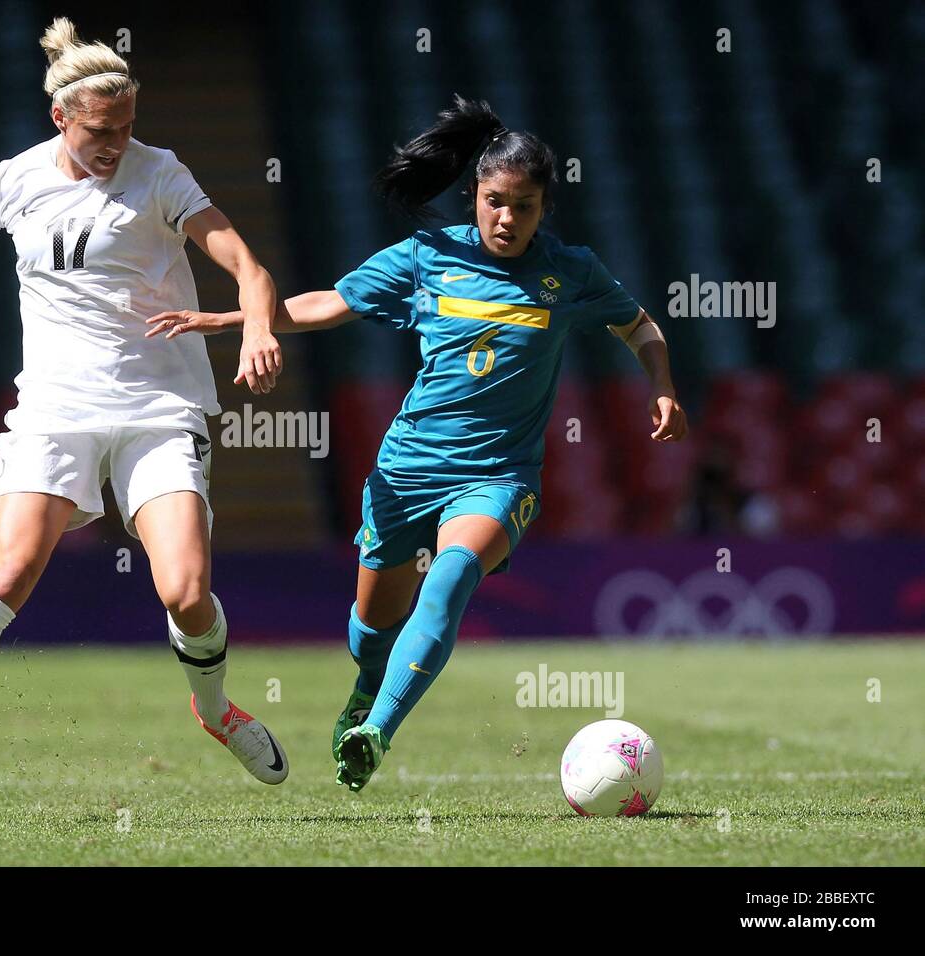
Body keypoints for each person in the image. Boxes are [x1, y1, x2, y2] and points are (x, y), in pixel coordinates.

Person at [147, 96, 689, 791]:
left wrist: (663, 384)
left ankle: (378, 731)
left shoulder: (570, 271)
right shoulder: (429, 255)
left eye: (523, 207)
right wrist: (232, 318)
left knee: (452, 576)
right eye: (495, 202)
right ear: (475, 196)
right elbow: (330, 303)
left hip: (499, 476)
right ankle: (368, 688)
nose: (506, 218)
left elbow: (640, 326)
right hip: (407, 470)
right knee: (371, 629)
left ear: (544, 208)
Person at [0, 17, 288, 811]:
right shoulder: (11, 182)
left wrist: (257, 325)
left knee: (185, 590)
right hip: (55, 410)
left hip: (159, 409)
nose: (116, 143)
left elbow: (245, 265)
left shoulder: (161, 175)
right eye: (101, 129)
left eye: (127, 127)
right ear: (61, 117)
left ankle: (216, 708)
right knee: (10, 569)